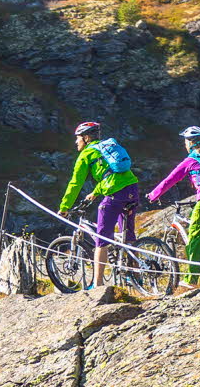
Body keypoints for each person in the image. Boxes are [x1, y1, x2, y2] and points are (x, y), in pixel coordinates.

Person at [146, 125, 200, 286]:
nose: (185, 145)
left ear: (191, 143)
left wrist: (153, 195)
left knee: (194, 237)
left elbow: (170, 180)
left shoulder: (191, 160)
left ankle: (191, 279)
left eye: (186, 141)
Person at [59, 121, 140, 287]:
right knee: (128, 236)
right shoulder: (107, 147)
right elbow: (112, 174)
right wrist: (95, 193)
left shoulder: (86, 155)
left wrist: (64, 207)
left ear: (87, 138)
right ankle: (135, 276)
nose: (76, 142)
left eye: (78, 138)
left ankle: (98, 284)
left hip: (115, 193)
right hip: (132, 188)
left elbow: (75, 183)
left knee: (101, 240)